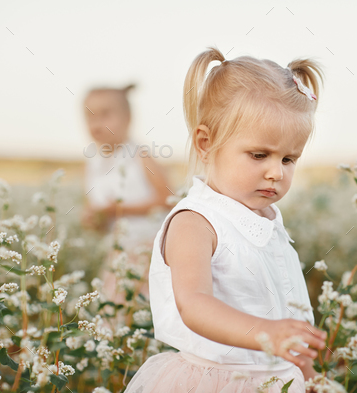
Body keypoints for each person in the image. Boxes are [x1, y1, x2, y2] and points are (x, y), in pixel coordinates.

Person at [124, 47, 328, 393]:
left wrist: (310, 377)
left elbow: (284, 317)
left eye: (289, 159)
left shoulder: (268, 222)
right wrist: (268, 335)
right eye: (259, 155)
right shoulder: (196, 222)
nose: (276, 172)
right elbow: (195, 305)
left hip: (279, 380)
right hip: (216, 380)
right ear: (206, 142)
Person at [81, 83, 173, 299]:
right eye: (90, 116)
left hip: (149, 247)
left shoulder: (140, 155)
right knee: (114, 307)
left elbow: (168, 198)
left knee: (147, 303)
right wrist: (94, 219)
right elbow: (101, 219)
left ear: (128, 119)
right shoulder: (92, 164)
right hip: (119, 251)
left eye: (105, 115)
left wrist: (120, 209)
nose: (97, 123)